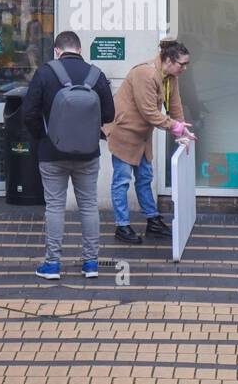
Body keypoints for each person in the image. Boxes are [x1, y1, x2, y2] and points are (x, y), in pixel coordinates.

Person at [23, 31, 115, 280]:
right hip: (88, 153)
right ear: (80, 49)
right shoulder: (96, 75)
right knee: (88, 205)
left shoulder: (44, 73)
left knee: (54, 206)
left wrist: (43, 137)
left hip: (52, 152)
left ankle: (52, 264)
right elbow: (108, 115)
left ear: (56, 50)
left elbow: (28, 112)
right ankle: (91, 263)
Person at [105, 41, 195, 244]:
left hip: (143, 134)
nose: (185, 68)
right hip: (124, 132)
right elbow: (149, 112)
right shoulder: (145, 74)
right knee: (121, 181)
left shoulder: (171, 76)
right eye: (182, 64)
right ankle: (122, 226)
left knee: (145, 177)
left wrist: (181, 130)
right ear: (169, 61)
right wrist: (175, 127)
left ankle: (153, 221)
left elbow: (174, 104)